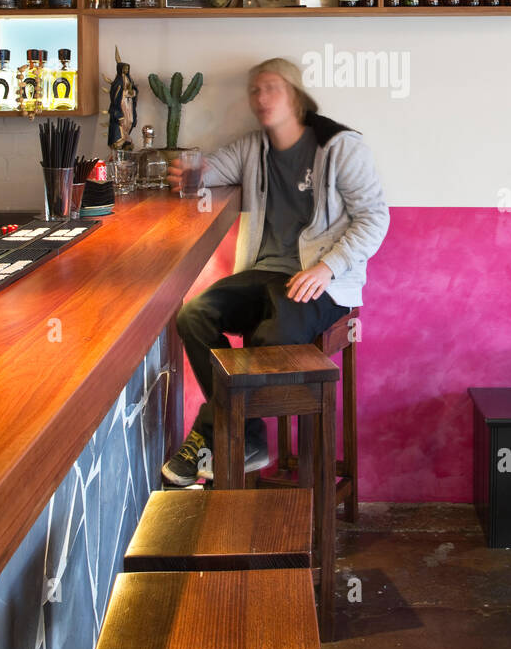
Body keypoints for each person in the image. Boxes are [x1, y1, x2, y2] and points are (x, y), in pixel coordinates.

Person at [162, 57, 389, 486]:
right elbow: (211, 172)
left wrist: (327, 267)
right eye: (254, 90)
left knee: (269, 337)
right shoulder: (252, 148)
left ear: (296, 96)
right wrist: (192, 173)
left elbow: (375, 218)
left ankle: (215, 431)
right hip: (265, 272)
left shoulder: (342, 146)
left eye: (271, 88)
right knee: (193, 314)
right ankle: (249, 435)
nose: (260, 97)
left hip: (325, 282)